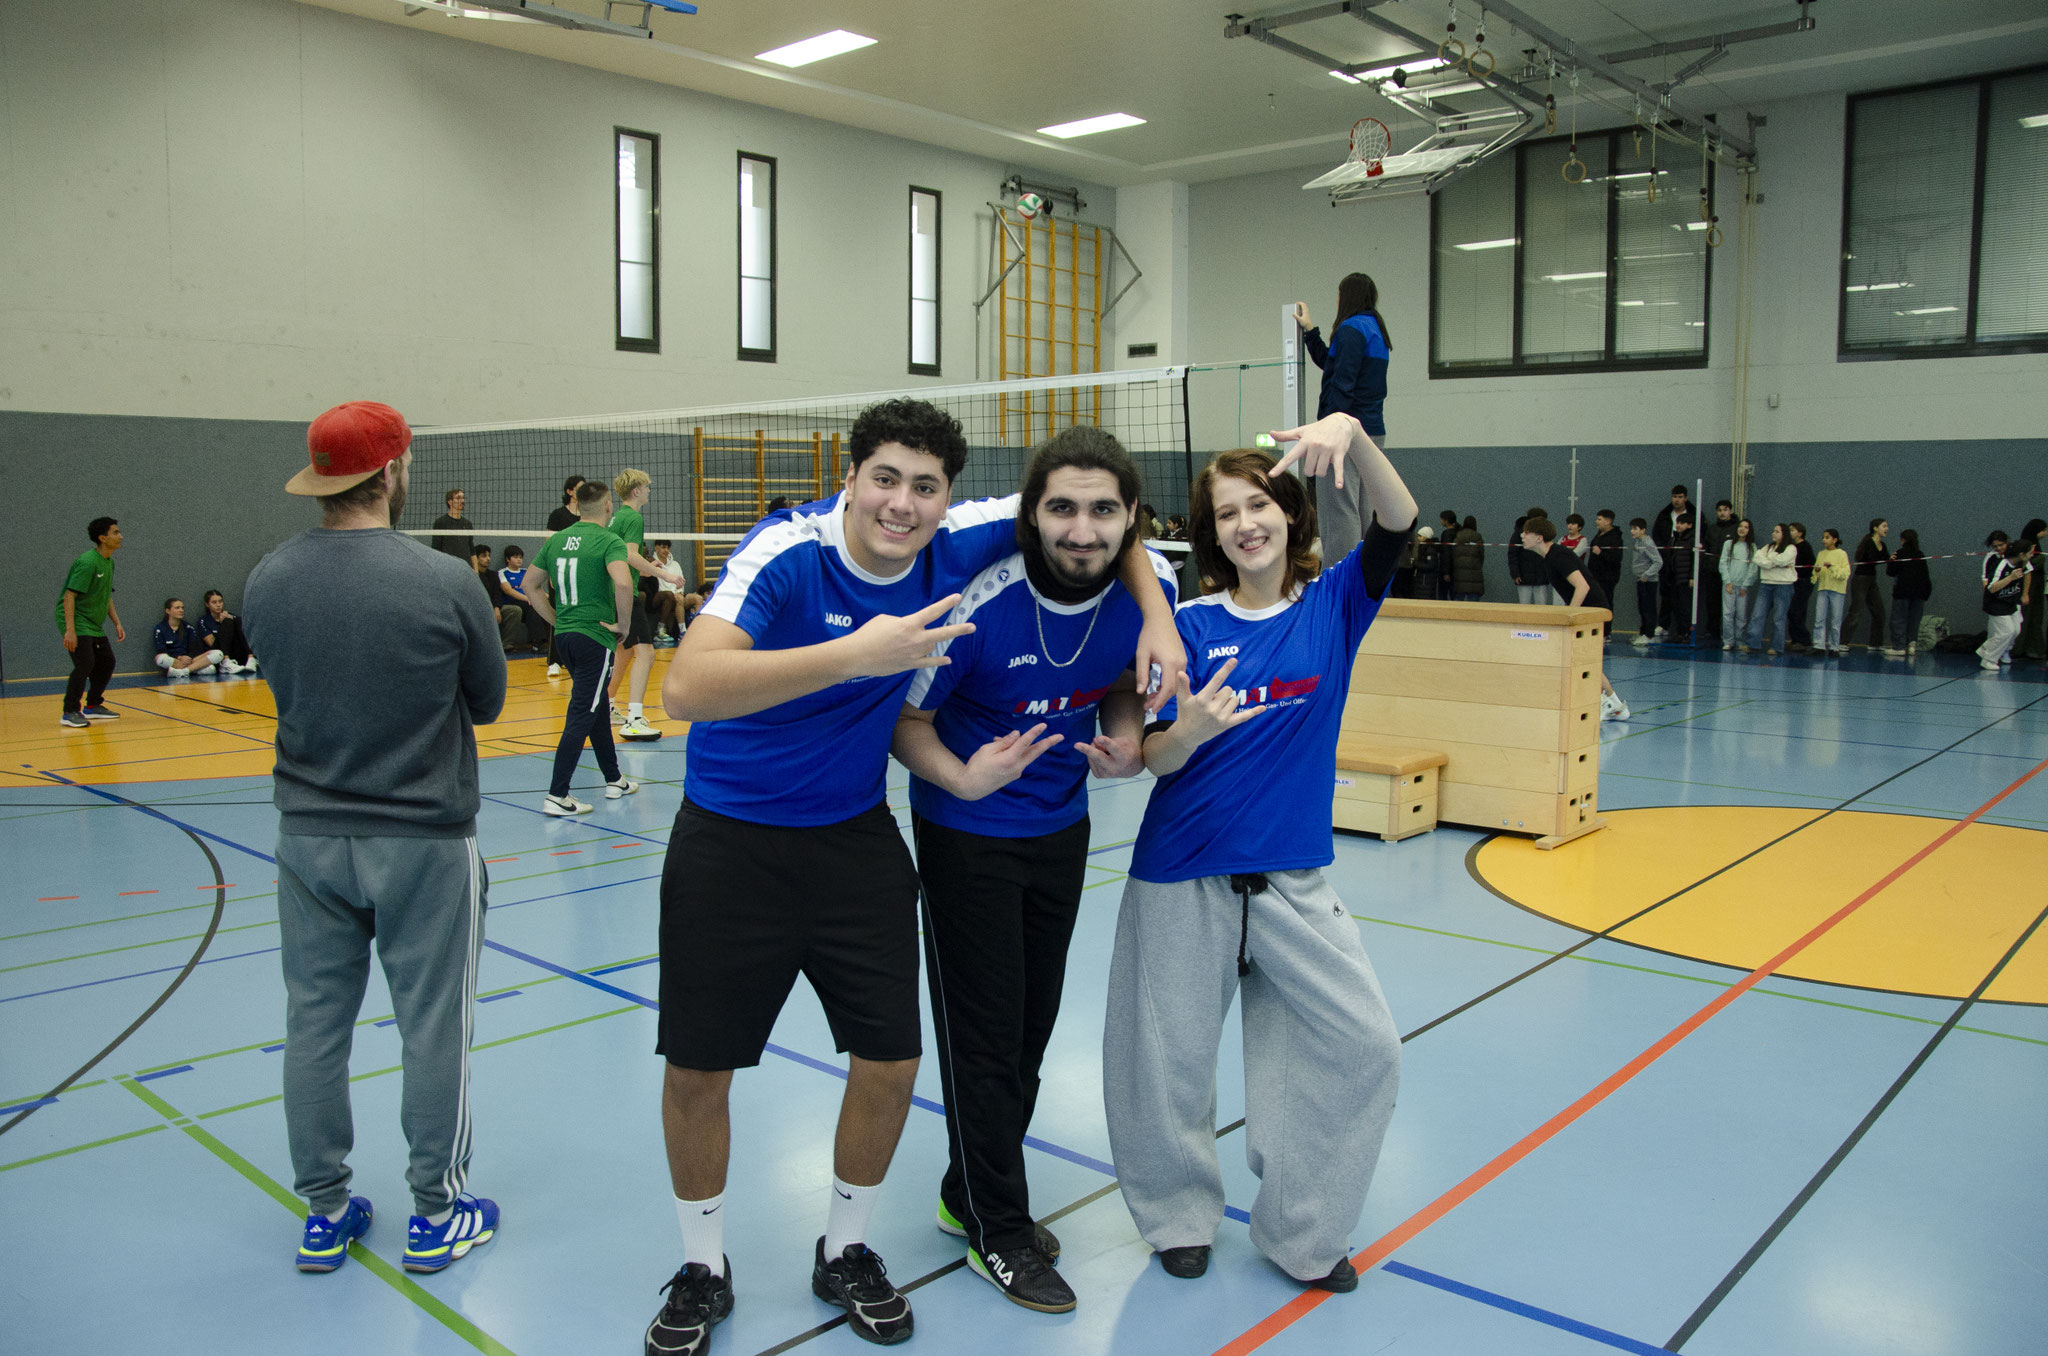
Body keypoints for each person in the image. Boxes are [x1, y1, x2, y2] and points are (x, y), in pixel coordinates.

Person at [641, 398, 1182, 1356]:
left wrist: (1156, 620)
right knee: (699, 1069)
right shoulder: (787, 553)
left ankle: (845, 1250)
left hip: (855, 837)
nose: (902, 504)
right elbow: (685, 688)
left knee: (891, 1062)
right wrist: (860, 654)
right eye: (883, 479)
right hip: (729, 840)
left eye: (924, 487)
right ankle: (700, 1264)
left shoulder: (963, 538)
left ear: (948, 499)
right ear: (847, 477)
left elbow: (1105, 519)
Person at [1104, 411, 1409, 1296]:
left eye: (1261, 503)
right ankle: (1176, 1217)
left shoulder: (1336, 604)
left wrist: (1351, 436)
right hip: (1181, 872)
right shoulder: (1186, 628)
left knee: (1364, 1047)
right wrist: (1186, 731)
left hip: (1294, 880)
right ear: (1212, 535)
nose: (1247, 522)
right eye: (1228, 511)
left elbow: (1399, 519)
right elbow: (1151, 757)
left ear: (1289, 513)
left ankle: (1304, 1234)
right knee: (1164, 1060)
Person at [891, 425, 1172, 1314]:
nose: (1081, 530)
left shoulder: (1149, 589)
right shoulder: (976, 602)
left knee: (1029, 1029)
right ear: (1030, 515)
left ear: (1130, 520)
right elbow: (906, 723)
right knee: (982, 1035)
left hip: (1061, 825)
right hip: (966, 829)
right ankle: (999, 1229)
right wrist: (964, 780)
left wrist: (1126, 735)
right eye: (1062, 508)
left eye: (1102, 511)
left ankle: (963, 1188)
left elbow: (1116, 683)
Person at [243, 400, 506, 1278]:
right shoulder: (443, 580)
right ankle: (437, 1211)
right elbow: (488, 701)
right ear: (393, 472)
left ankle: (324, 1210)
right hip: (424, 841)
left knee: (314, 1024)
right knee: (434, 1027)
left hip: (309, 838)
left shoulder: (267, 579)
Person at [523, 479, 640, 815]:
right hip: (595, 638)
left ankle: (614, 779)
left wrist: (557, 620)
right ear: (608, 506)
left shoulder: (557, 539)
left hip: (566, 638)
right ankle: (557, 795)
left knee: (596, 706)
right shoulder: (609, 540)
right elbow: (621, 581)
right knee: (582, 712)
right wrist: (624, 625)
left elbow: (531, 585)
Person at [1292, 273, 1393, 563]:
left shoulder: (1351, 329)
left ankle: (1338, 583)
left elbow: (1342, 383)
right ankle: (1357, 579)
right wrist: (1310, 330)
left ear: (1344, 296)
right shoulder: (1376, 330)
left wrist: (1328, 429)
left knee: (1339, 511)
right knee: (1360, 511)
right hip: (1370, 431)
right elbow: (1332, 366)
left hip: (1345, 432)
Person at [604, 469, 684, 741]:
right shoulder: (634, 516)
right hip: (622, 593)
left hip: (610, 591)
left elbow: (622, 556)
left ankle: (607, 706)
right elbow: (628, 554)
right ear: (636, 491)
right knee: (647, 654)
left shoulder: (617, 517)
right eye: (647, 487)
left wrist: (648, 567)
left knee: (624, 653)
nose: (650, 490)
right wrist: (666, 575)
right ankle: (635, 719)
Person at [1523, 517, 1629, 719]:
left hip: (1593, 612)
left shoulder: (1558, 556)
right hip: (1588, 611)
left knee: (1582, 660)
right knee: (1586, 660)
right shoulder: (1550, 557)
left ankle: (1604, 702)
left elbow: (1583, 586)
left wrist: (1570, 616)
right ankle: (1613, 703)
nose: (1522, 536)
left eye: (1526, 533)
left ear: (1538, 537)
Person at [55, 516, 127, 728]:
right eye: (115, 532)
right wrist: (70, 630)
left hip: (92, 622)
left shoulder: (109, 561)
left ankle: (93, 705)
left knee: (106, 662)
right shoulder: (87, 562)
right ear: (102, 538)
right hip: (75, 617)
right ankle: (69, 711)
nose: (120, 536)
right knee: (85, 662)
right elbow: (69, 596)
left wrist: (116, 622)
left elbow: (106, 596)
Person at [545, 476, 586, 678]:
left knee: (579, 616)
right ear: (570, 491)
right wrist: (552, 572)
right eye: (580, 488)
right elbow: (549, 546)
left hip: (581, 573)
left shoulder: (587, 517)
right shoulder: (558, 516)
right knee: (558, 617)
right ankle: (554, 661)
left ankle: (576, 659)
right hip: (561, 572)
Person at [1981, 541, 2030, 671]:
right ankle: (1988, 659)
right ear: (2021, 554)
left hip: (2011, 602)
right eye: (2029, 552)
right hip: (1996, 603)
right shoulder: (2001, 565)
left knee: (2015, 630)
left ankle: (1985, 648)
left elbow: (2028, 571)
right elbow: (1991, 588)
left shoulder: (2022, 563)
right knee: (2006, 632)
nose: (2032, 554)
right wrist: (2010, 578)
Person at [1751, 524, 1797, 656]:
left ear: (1784, 534)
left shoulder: (1791, 548)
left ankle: (1776, 647)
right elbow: (1757, 557)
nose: (1773, 533)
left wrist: (1769, 561)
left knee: (1779, 617)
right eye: (1773, 531)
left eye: (1777, 531)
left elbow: (1783, 560)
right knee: (1757, 615)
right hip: (1766, 584)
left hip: (1783, 585)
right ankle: (1753, 644)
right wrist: (1771, 563)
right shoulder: (1768, 547)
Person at [1845, 518, 1890, 650]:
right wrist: (1884, 558)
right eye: (1884, 526)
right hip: (1861, 579)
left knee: (1879, 611)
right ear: (1875, 528)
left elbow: (1885, 559)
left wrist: (1891, 558)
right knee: (1855, 612)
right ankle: (1841, 642)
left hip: (1871, 579)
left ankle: (1875, 643)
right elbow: (1873, 558)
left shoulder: (1883, 545)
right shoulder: (1868, 542)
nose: (1887, 529)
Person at [152, 597, 223, 678]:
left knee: (219, 654)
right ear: (168, 611)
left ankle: (184, 671)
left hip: (190, 660)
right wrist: (178, 657)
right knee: (160, 658)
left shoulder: (188, 628)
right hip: (174, 661)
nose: (181, 610)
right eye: (177, 608)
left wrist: (189, 657)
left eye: (182, 608)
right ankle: (192, 669)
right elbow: (161, 650)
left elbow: (194, 648)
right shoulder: (160, 628)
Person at [1885, 529, 1930, 657]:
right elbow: (1926, 576)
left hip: (1902, 592)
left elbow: (1891, 572)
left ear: (1903, 540)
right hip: (1919, 594)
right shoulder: (1920, 554)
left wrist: (1891, 561)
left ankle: (1899, 647)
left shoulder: (1899, 553)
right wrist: (1926, 593)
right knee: (1914, 620)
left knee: (1899, 619)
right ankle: (1912, 644)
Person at [648, 541, 702, 644]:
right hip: (661, 597)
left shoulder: (675, 564)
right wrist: (675, 595)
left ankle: (696, 630)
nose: (666, 550)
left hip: (677, 595)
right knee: (674, 597)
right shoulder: (651, 563)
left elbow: (681, 582)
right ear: (656, 548)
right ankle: (683, 633)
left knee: (697, 598)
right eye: (663, 547)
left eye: (668, 548)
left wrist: (679, 592)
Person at [498, 545, 550, 652]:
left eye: (521, 557)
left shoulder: (525, 572)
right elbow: (508, 590)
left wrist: (549, 597)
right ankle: (537, 643)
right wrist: (527, 598)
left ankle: (550, 642)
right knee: (533, 607)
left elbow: (537, 587)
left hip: (529, 602)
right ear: (507, 559)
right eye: (516, 557)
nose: (519, 559)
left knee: (546, 606)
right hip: (513, 602)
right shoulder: (502, 572)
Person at [1719, 518, 1759, 654]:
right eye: (1741, 526)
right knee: (1728, 613)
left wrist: (1745, 585)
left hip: (1742, 587)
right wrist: (1727, 582)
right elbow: (1723, 563)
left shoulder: (1752, 547)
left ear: (1749, 530)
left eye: (1746, 527)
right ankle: (1728, 641)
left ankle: (1740, 641)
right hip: (1729, 585)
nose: (1742, 529)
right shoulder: (1728, 544)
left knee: (1741, 615)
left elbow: (1753, 568)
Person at [197, 589, 258, 674]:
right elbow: (211, 642)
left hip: (236, 651)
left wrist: (231, 620)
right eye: (214, 602)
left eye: (220, 601)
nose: (218, 605)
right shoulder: (203, 621)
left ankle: (251, 658)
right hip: (219, 653)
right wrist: (223, 626)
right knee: (227, 622)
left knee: (238, 620)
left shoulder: (230, 616)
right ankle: (225, 662)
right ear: (207, 604)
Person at [1698, 499, 1733, 645]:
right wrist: (1706, 563)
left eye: (1725, 510)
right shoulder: (1711, 529)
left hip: (1729, 574)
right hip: (1712, 571)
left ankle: (1729, 635)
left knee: (1729, 606)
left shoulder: (1736, 528)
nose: (1722, 513)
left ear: (1730, 511)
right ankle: (1712, 632)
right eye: (1719, 510)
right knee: (1712, 604)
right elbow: (1705, 548)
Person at [1812, 528, 1851, 656]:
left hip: (1837, 591)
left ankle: (1834, 647)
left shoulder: (1842, 554)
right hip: (1823, 589)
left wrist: (1832, 567)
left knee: (1835, 621)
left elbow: (1845, 574)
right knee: (1819, 619)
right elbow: (1815, 576)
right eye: (1823, 537)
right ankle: (1819, 645)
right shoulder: (1821, 554)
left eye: (1827, 537)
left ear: (1835, 540)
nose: (1824, 540)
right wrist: (1816, 571)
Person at [1587, 510, 1624, 637]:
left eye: (1599, 519)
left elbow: (1616, 557)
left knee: (1605, 602)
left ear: (1608, 521)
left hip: (1607, 577)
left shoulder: (1615, 537)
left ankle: (1606, 631)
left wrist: (1601, 553)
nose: (1597, 522)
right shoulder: (1599, 534)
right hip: (1594, 575)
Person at [1628, 517, 1661, 646]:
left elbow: (1658, 562)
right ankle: (1643, 632)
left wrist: (1646, 575)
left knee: (1649, 608)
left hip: (1649, 581)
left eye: (1635, 529)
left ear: (1643, 530)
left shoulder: (1647, 542)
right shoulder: (1638, 542)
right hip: (1640, 581)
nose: (1632, 531)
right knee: (1642, 608)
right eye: (1631, 528)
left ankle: (1649, 634)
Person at [2017, 520, 2047, 660]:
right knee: (2024, 617)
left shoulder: (2036, 545)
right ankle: (2017, 649)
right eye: (2043, 530)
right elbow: (2023, 567)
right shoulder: (2024, 546)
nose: (2045, 533)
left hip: (2037, 587)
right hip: (2027, 588)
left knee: (2035, 617)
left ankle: (2034, 649)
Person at [1787, 523, 1817, 652]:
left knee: (1797, 611)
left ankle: (1804, 640)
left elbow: (1809, 566)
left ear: (1800, 533)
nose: (1790, 532)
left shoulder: (1805, 546)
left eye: (1792, 530)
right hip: (1794, 581)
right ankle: (1795, 639)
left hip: (1803, 582)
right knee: (1792, 611)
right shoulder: (1790, 547)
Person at [1509, 507, 1547, 605]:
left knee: (1542, 606)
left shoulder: (1545, 534)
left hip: (1541, 576)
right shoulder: (1519, 533)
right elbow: (1512, 554)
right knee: (1524, 606)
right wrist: (1515, 573)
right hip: (1523, 575)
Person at [431, 487, 474, 562]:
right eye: (458, 498)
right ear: (450, 502)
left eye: (463, 498)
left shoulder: (468, 524)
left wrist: (476, 570)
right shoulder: (440, 522)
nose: (462, 501)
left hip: (466, 566)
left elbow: (471, 549)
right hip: (448, 565)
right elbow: (436, 549)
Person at [1449, 515, 1484, 601]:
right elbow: (1481, 555)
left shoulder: (1458, 536)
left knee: (1458, 600)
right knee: (1473, 601)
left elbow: (1453, 553)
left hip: (1459, 572)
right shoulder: (1477, 537)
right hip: (1474, 572)